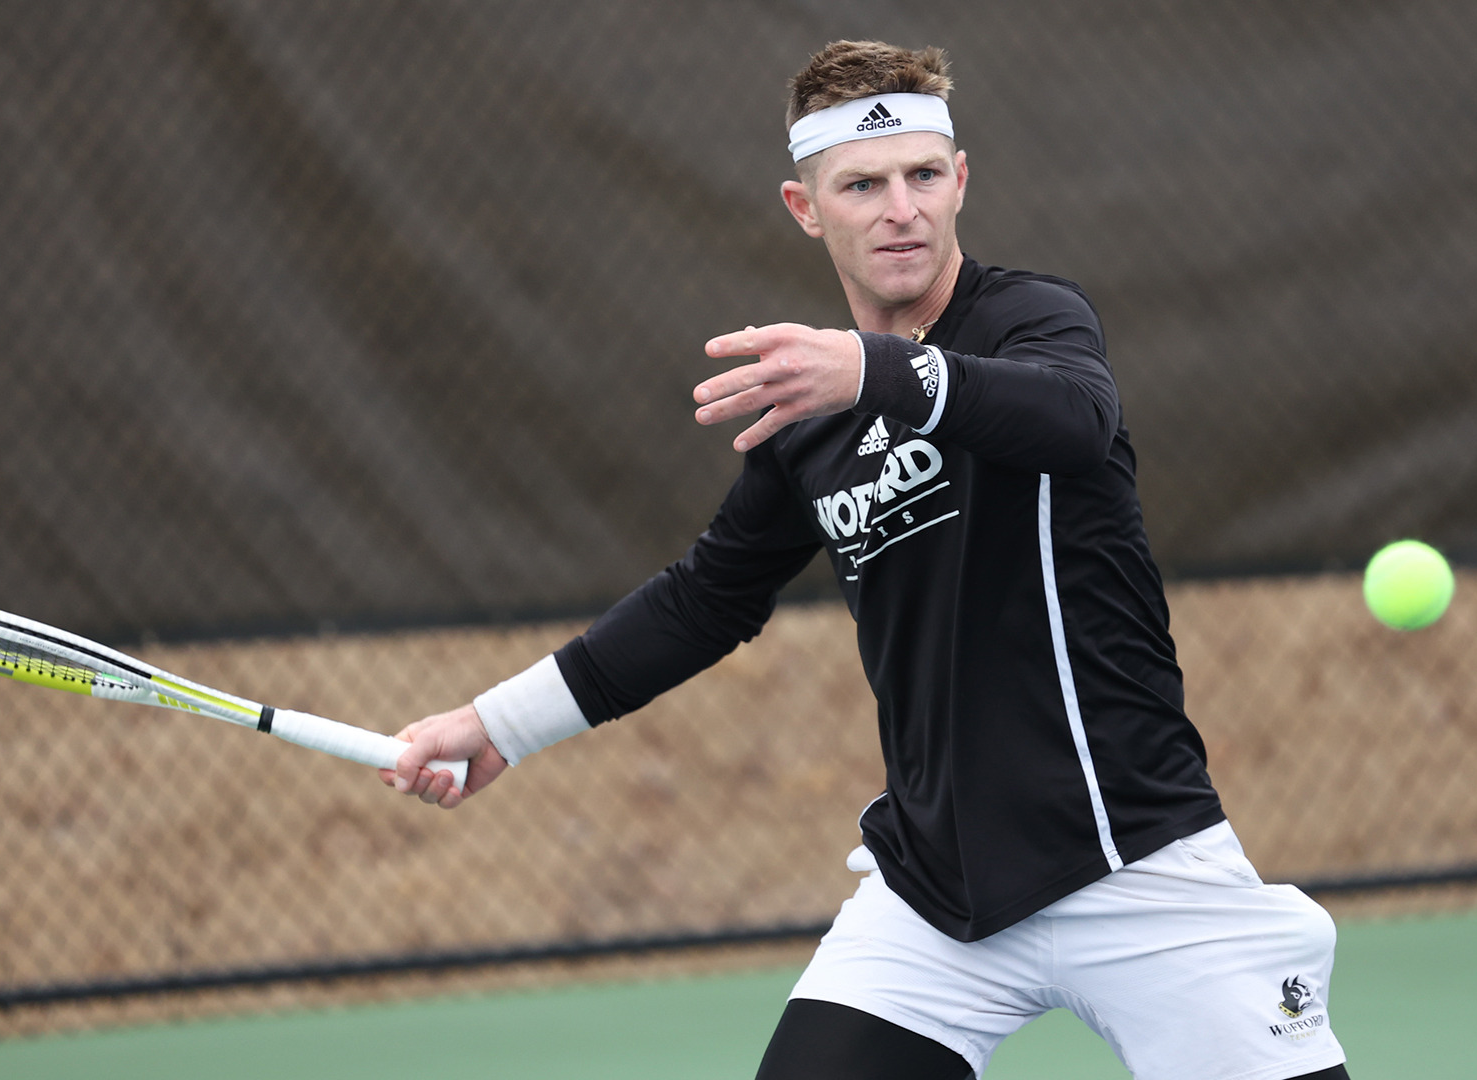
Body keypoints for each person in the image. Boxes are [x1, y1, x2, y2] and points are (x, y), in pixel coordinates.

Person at [384, 39, 1349, 1080]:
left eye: (924, 176)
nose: (902, 209)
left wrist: (875, 369)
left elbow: (1073, 419)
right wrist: (497, 726)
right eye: (863, 185)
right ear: (806, 207)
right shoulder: (809, 415)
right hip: (936, 897)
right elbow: (708, 598)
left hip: (1137, 861)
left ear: (960, 180)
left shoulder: (1033, 321)